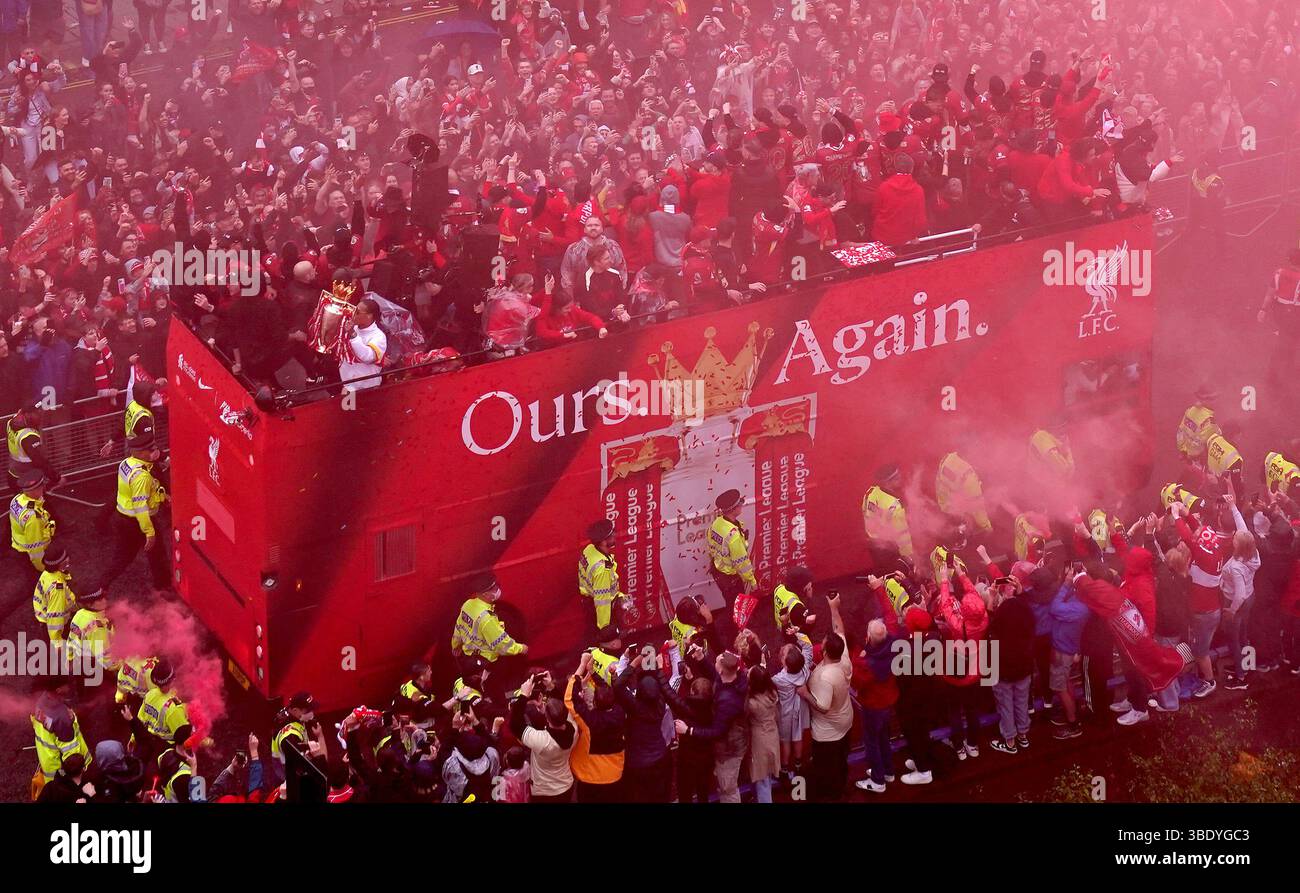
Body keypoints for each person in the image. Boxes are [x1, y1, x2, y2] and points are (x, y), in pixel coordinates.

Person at [673, 650, 748, 803]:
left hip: (729, 750)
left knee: (728, 789)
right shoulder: (733, 679)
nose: (714, 662)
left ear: (721, 669)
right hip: (731, 745)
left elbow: (717, 731)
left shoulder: (727, 701)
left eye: (717, 661)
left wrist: (689, 730)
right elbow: (716, 676)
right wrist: (701, 659)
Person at [104, 432, 170, 595]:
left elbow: (147, 490)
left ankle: (101, 586)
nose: (155, 451)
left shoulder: (127, 464)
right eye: (151, 449)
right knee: (152, 554)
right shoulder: (142, 476)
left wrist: (163, 495)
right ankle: (163, 586)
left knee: (123, 558)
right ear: (140, 453)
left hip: (123, 518)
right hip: (136, 522)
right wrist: (149, 532)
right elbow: (141, 506)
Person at [804, 592, 853, 801]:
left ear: (823, 652)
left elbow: (822, 706)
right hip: (845, 722)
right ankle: (840, 788)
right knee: (842, 762)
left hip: (828, 734)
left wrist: (804, 693)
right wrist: (833, 608)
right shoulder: (843, 657)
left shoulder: (825, 676)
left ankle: (830, 796)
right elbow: (839, 630)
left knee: (826, 768)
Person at [564, 653, 625, 802]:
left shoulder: (589, 720)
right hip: (615, 777)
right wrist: (592, 672)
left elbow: (570, 698)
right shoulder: (619, 712)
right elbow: (606, 691)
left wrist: (582, 665)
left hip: (590, 781)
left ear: (595, 703)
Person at [450, 572, 528, 688]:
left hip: (469, 657)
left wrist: (455, 645)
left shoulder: (468, 605)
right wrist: (521, 648)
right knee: (494, 689)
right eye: (495, 588)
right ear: (486, 594)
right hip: (487, 663)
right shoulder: (487, 619)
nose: (498, 590)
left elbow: (459, 627)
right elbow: (502, 645)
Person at [987, 575, 1036, 754]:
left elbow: (989, 626)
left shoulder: (1004, 609)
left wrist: (991, 598)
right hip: (1024, 665)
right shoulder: (1025, 608)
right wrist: (1021, 593)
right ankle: (1023, 736)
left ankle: (1009, 741)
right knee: (1021, 701)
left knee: (1006, 705)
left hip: (1004, 668)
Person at [509, 676, 576, 803]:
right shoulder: (574, 728)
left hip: (545, 792)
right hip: (566, 785)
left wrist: (524, 695)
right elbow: (563, 708)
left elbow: (515, 724)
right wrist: (551, 686)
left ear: (547, 718)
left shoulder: (542, 741)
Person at [852, 619, 899, 791]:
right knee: (884, 738)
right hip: (888, 703)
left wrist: (859, 658)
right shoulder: (893, 646)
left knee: (871, 742)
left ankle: (878, 780)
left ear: (869, 638)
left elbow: (856, 682)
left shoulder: (868, 664)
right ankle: (888, 771)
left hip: (873, 707)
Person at [707, 488, 757, 638]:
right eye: (740, 503)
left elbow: (711, 546)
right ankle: (734, 635)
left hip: (719, 573)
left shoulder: (716, 523)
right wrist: (752, 580)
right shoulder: (733, 535)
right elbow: (742, 562)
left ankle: (728, 629)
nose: (742, 505)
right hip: (731, 579)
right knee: (735, 608)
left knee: (730, 604)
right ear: (733, 509)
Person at [1219, 530, 1261, 691]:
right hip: (1251, 597)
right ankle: (1248, 665)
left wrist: (1231, 610)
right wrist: (1233, 508)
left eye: (1235, 537)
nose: (1234, 536)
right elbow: (1244, 531)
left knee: (1234, 639)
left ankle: (1241, 676)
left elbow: (1240, 594)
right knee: (1243, 635)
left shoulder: (1236, 567)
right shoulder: (1253, 553)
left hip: (1237, 602)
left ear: (1239, 544)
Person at [579, 518, 628, 637]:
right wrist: (606, 629)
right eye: (611, 535)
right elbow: (603, 601)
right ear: (602, 542)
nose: (615, 535)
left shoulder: (589, 549)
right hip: (602, 613)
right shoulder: (602, 569)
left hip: (588, 603)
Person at [1258, 249, 1300, 384]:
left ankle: (1276, 372)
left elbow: (1270, 293)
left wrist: (1263, 310)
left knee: (1285, 340)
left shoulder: (1279, 273)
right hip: (1294, 313)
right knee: (1289, 342)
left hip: (1280, 312)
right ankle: (1275, 374)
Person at [862, 464, 914, 563]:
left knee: (881, 575)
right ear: (888, 482)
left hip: (873, 546)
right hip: (889, 550)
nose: (901, 479)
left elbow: (866, 513)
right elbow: (903, 536)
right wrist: (909, 557)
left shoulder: (870, 493)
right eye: (897, 478)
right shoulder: (895, 505)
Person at [10, 466, 55, 579]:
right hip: (29, 553)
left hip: (19, 546)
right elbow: (36, 549)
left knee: (29, 574)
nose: (44, 488)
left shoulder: (17, 499)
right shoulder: (33, 517)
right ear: (34, 490)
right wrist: (43, 568)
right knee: (35, 579)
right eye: (41, 486)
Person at [744, 664, 780, 803]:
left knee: (762, 779)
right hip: (772, 735)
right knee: (766, 778)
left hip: (760, 741)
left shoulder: (752, 703)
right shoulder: (772, 693)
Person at [32, 539, 76, 642]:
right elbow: (55, 616)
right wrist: (57, 640)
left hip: (43, 615)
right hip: (54, 623)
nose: (68, 559)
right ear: (61, 564)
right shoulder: (57, 588)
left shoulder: (46, 574)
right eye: (66, 559)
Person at [339, 298, 387, 391]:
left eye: (357, 312)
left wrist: (353, 335)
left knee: (365, 406)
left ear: (369, 316)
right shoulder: (351, 328)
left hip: (367, 388)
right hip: (348, 386)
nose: (353, 314)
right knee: (347, 405)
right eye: (354, 310)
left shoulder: (379, 336)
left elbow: (367, 357)